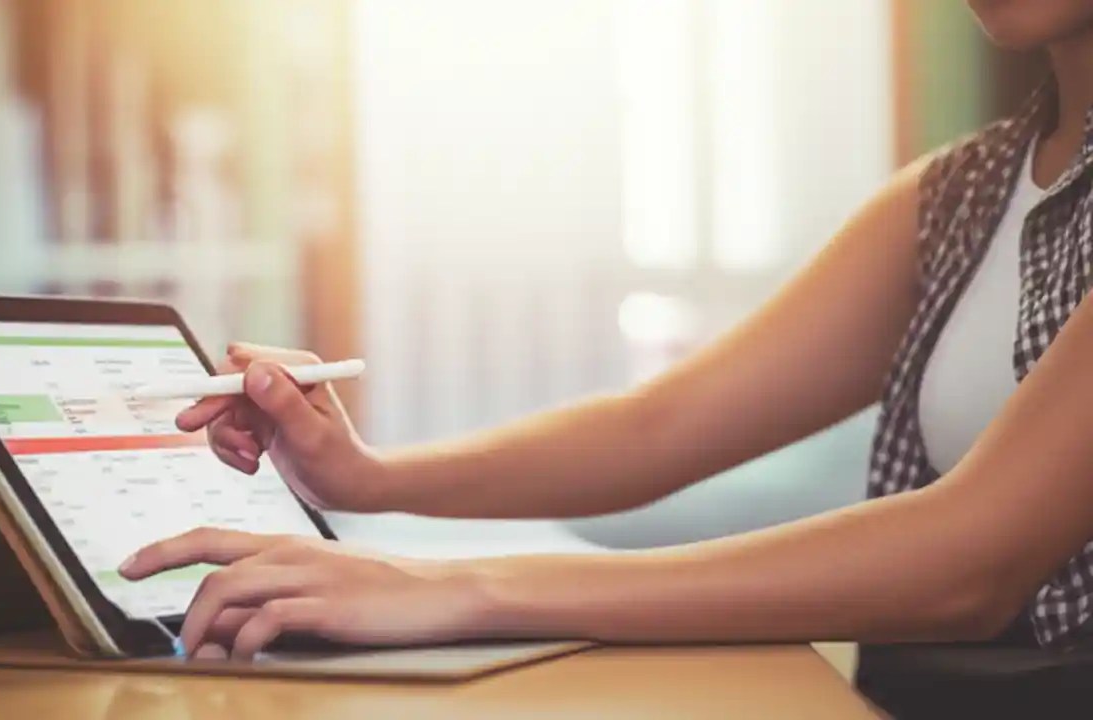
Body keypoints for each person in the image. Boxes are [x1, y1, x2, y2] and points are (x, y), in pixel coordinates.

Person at [118, 1, 1093, 714]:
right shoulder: (966, 191)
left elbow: (970, 562)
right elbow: (659, 428)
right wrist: (362, 478)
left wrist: (456, 590)